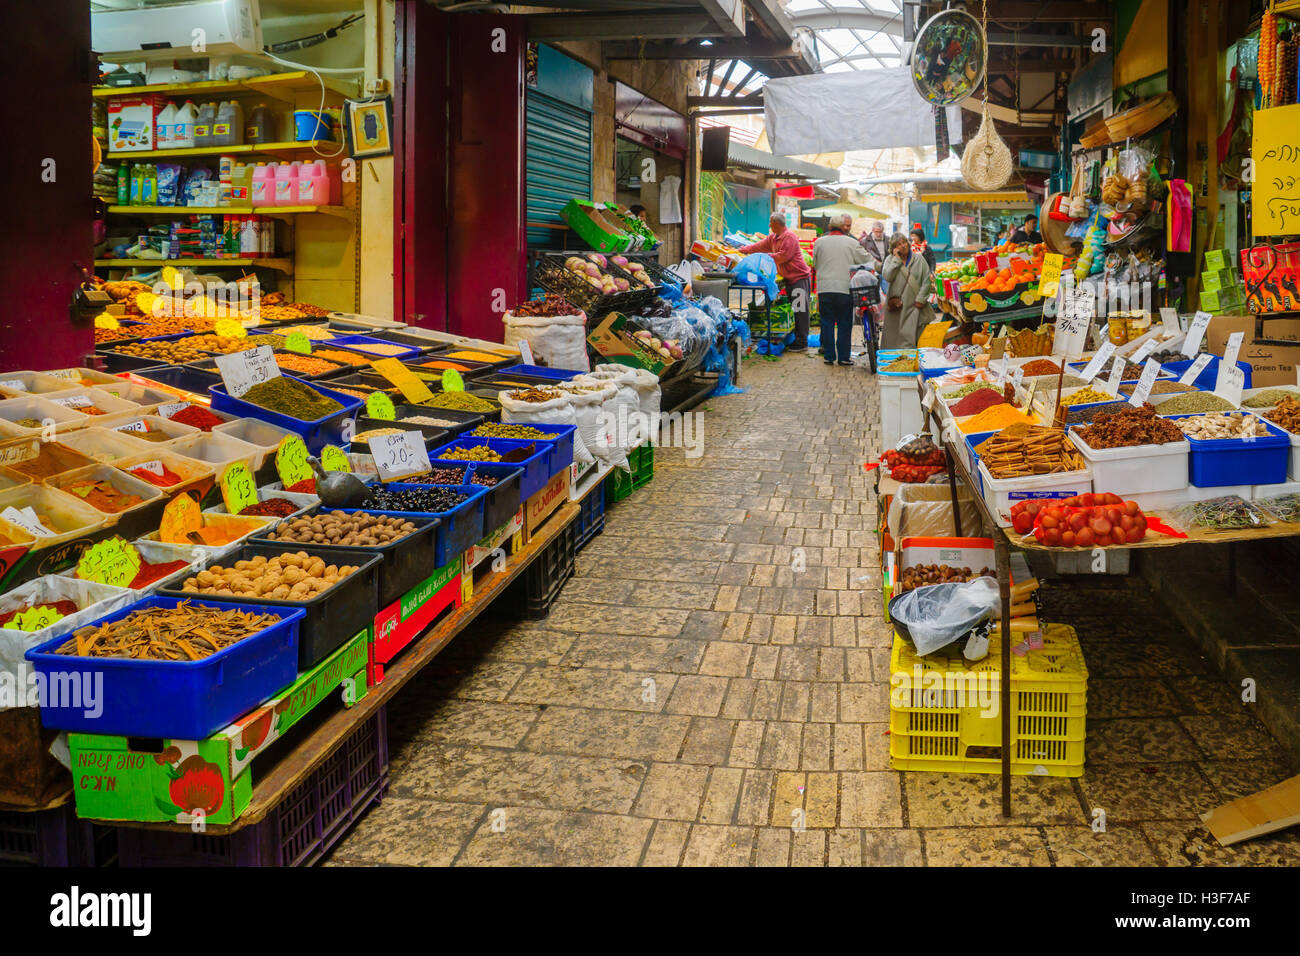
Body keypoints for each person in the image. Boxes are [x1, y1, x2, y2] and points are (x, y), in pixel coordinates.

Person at [739, 212, 813, 351]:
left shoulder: (789, 237)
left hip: (799, 278)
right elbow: (759, 245)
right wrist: (745, 250)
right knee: (796, 309)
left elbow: (782, 257)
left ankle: (802, 342)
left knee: (800, 309)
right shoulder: (774, 237)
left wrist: (763, 257)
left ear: (777, 224)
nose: (769, 225)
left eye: (771, 223)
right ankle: (797, 338)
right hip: (789, 278)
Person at [812, 214, 875, 366]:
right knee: (844, 323)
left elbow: (815, 264)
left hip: (825, 288)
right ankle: (843, 358)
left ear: (829, 227)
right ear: (843, 228)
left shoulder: (819, 242)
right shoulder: (851, 242)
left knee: (826, 322)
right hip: (844, 288)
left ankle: (829, 356)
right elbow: (867, 260)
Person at [881, 232, 936, 349]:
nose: (903, 246)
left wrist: (921, 299)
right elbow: (887, 277)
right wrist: (896, 261)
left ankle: (915, 364)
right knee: (895, 340)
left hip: (915, 306)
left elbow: (926, 280)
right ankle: (897, 363)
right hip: (897, 307)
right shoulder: (889, 260)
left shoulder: (919, 259)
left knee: (915, 339)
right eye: (899, 244)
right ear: (894, 248)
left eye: (904, 242)